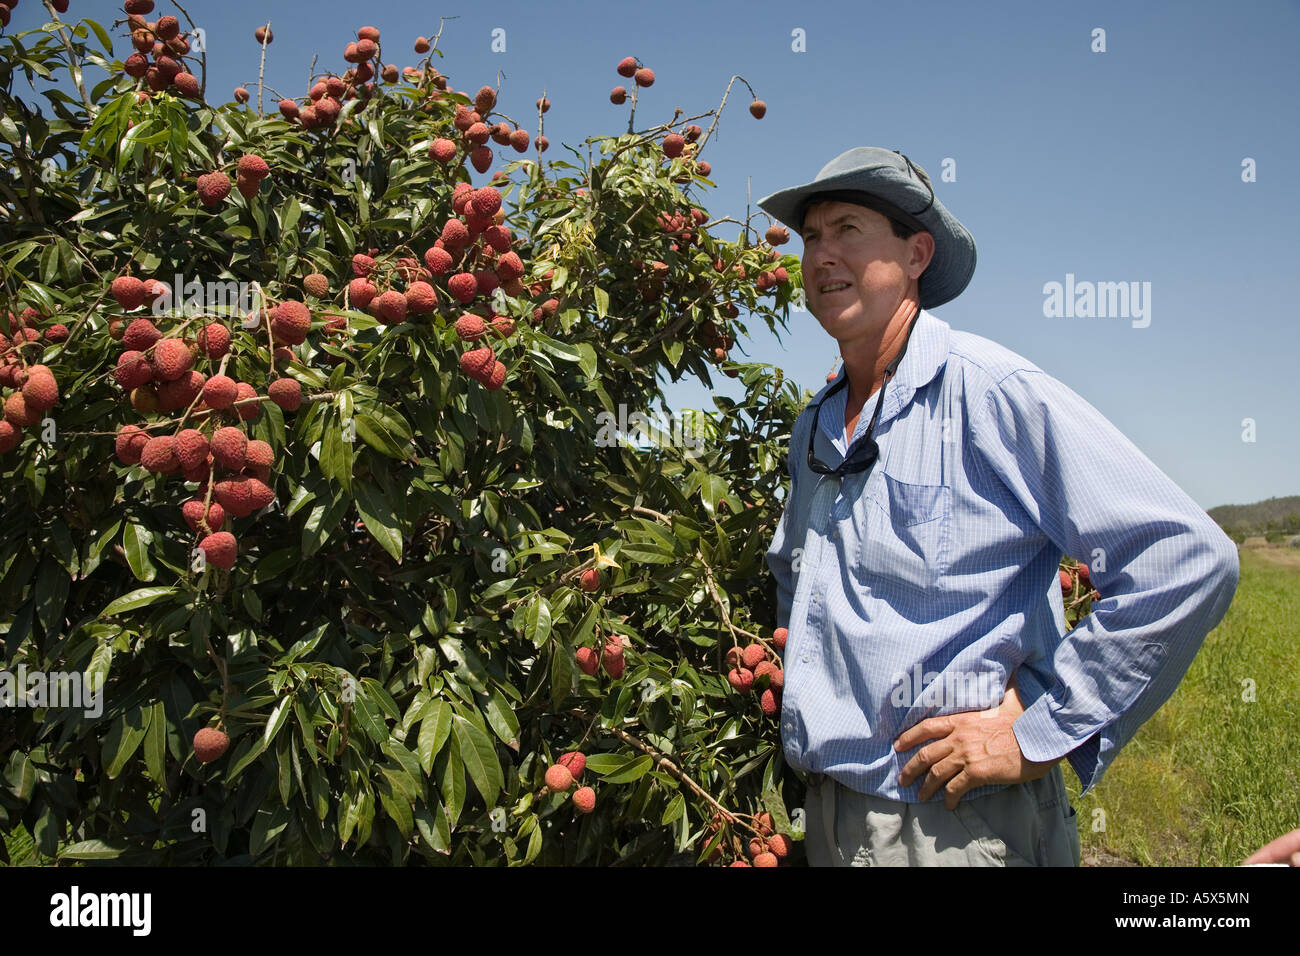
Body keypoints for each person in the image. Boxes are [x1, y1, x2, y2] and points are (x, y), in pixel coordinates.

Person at [759, 147, 1240, 866]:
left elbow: (1187, 558)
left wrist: (1040, 731)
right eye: (811, 236)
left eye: (849, 228)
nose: (823, 254)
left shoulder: (988, 392)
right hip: (831, 819)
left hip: (957, 829)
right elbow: (798, 584)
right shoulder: (816, 428)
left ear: (916, 254)